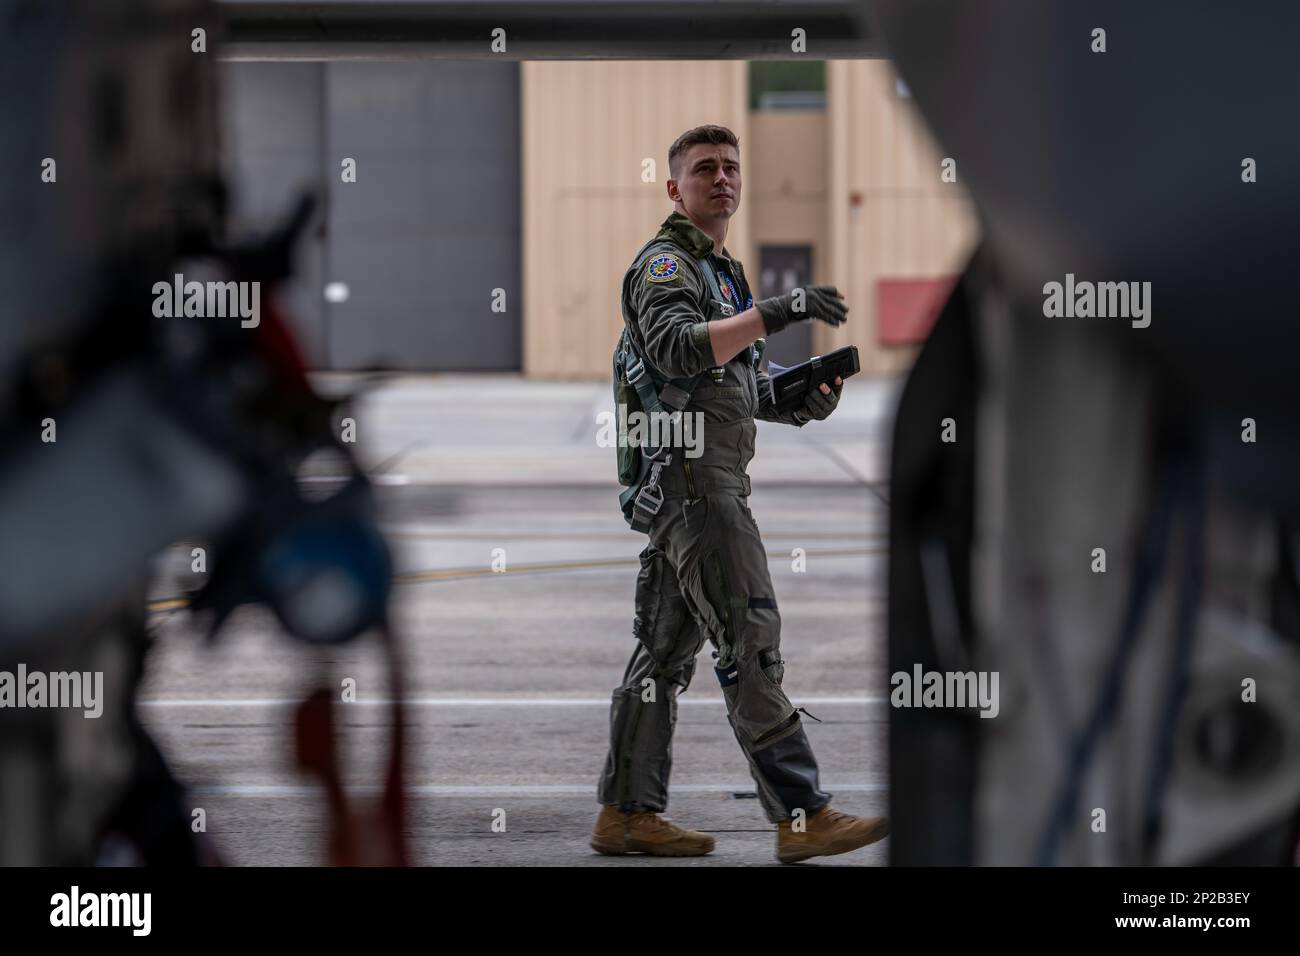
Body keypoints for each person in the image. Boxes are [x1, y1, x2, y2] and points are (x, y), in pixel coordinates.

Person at [593, 124, 889, 863]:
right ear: (674, 188)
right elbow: (676, 350)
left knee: (662, 655)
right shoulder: (666, 266)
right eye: (704, 169)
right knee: (749, 638)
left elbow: (735, 384)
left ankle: (626, 814)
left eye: (730, 167)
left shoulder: (721, 272)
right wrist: (778, 313)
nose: (721, 179)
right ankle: (802, 818)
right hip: (698, 490)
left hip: (693, 488)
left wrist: (802, 396)